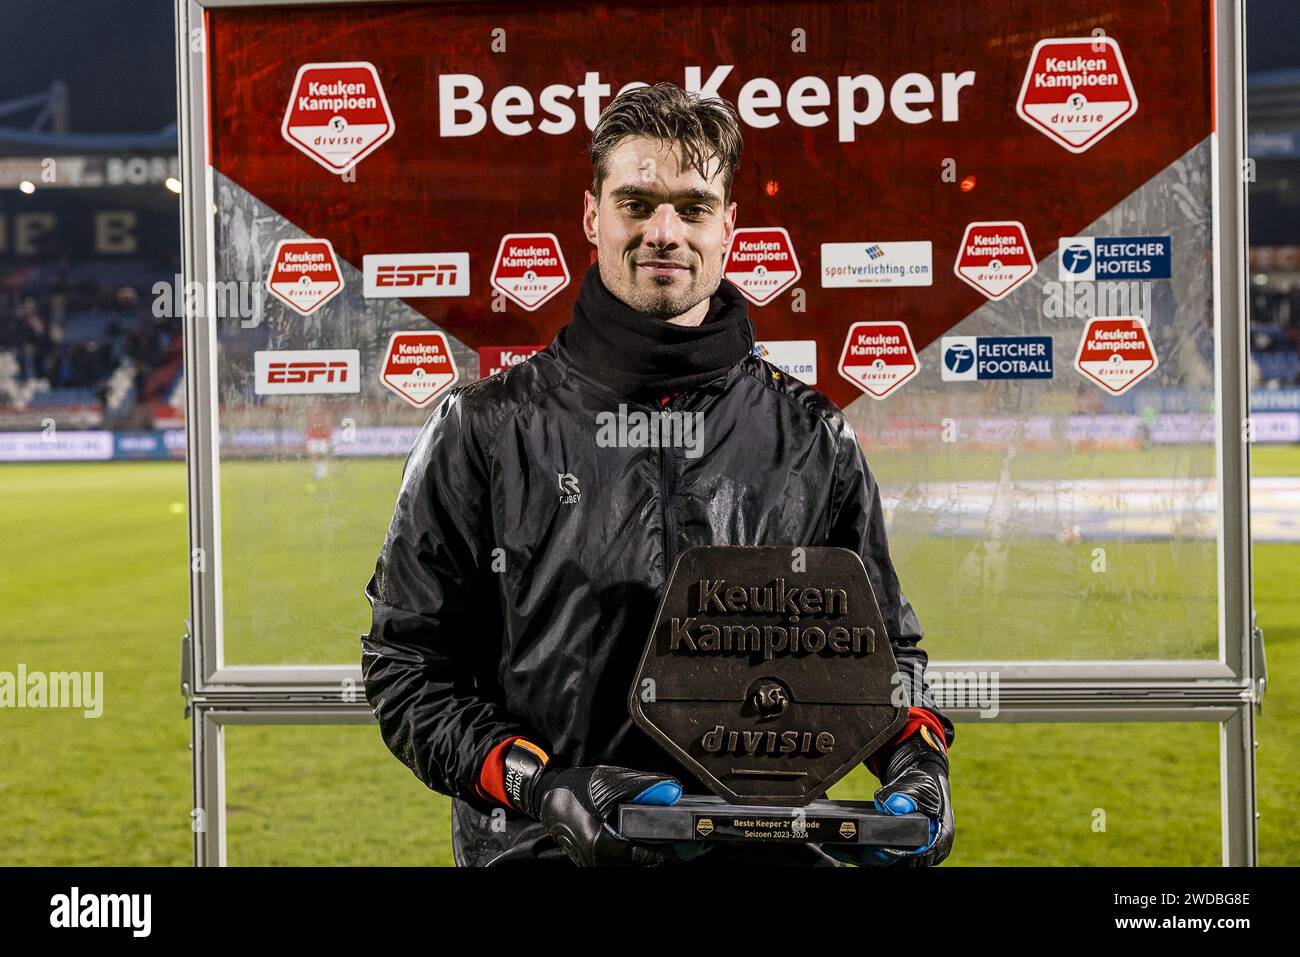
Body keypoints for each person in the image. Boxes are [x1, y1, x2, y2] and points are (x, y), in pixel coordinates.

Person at [361, 82, 953, 867]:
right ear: (592, 216)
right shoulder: (485, 428)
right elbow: (408, 668)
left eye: (692, 206)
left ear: (728, 227)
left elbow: (884, 661)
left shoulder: (812, 437)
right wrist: (542, 787)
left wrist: (921, 764)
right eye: (636, 202)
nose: (663, 232)